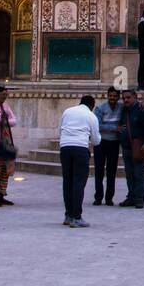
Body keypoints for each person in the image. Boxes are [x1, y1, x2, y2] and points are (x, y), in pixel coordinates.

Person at [58, 95, 101, 227]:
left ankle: (68, 215)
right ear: (92, 106)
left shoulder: (67, 111)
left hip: (65, 147)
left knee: (67, 181)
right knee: (78, 182)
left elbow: (60, 129)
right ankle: (77, 216)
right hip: (81, 149)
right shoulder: (91, 116)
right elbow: (96, 140)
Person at [118, 89, 144, 208]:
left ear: (135, 97)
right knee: (129, 173)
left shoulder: (142, 109)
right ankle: (131, 196)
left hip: (138, 146)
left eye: (128, 97)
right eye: (124, 98)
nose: (126, 100)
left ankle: (139, 198)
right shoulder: (124, 110)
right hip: (126, 147)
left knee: (138, 173)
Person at [92, 88, 124, 206]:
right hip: (101, 142)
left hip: (114, 143)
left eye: (115, 96)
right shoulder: (100, 108)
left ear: (118, 97)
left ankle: (109, 198)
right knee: (99, 170)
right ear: (107, 96)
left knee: (111, 171)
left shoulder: (121, 107)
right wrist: (114, 128)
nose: (112, 98)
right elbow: (98, 125)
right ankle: (98, 197)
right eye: (110, 96)